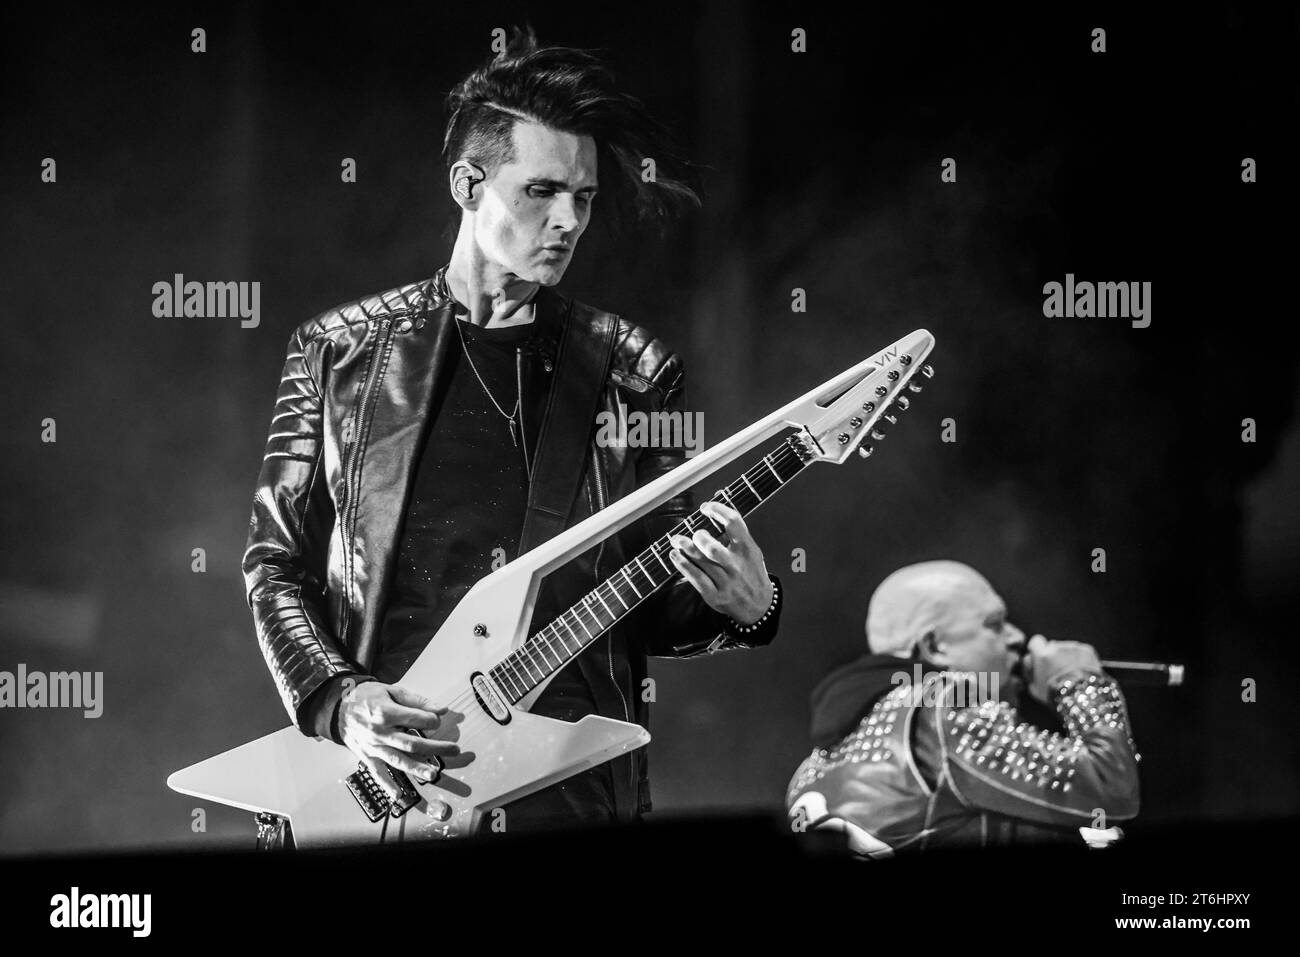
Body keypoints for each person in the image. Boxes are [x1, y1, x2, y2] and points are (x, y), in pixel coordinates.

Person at [243, 26, 782, 837]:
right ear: (468, 183)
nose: (568, 220)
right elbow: (274, 561)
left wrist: (747, 606)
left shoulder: (632, 368)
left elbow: (654, 598)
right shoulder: (339, 351)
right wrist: (338, 699)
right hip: (377, 785)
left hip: (564, 788)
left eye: (585, 197)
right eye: (541, 192)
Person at [785, 560, 1138, 855]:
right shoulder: (943, 707)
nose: (1017, 637)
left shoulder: (811, 770)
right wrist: (1078, 681)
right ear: (935, 647)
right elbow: (1109, 792)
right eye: (995, 624)